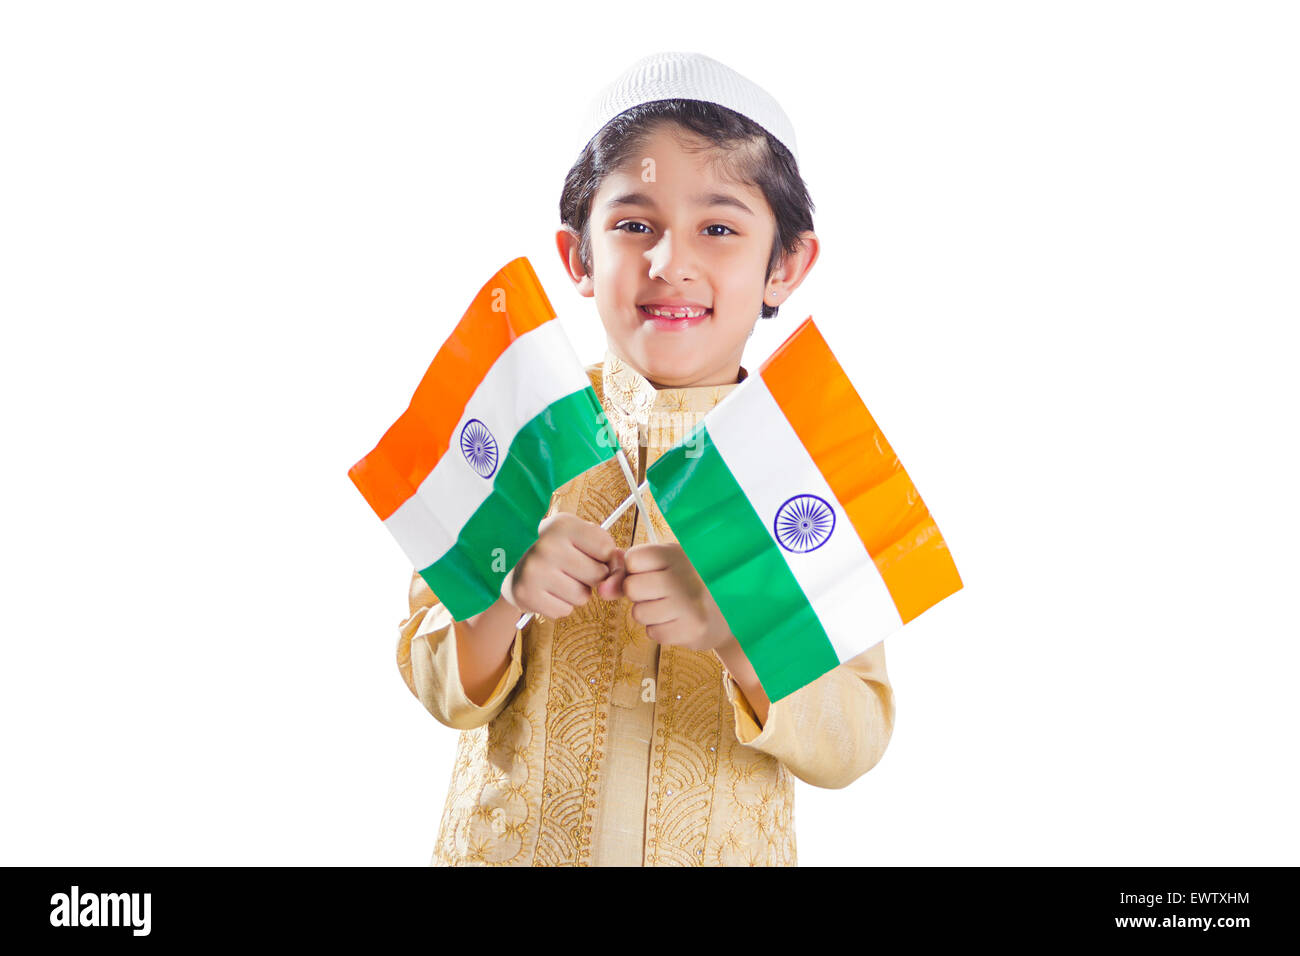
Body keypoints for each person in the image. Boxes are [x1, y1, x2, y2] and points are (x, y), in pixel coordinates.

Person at [397, 51, 895, 866]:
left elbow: (857, 735)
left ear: (786, 266)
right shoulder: (523, 425)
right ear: (578, 259)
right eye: (634, 225)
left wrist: (738, 629)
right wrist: (501, 586)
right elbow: (432, 678)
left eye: (721, 228)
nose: (671, 263)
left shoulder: (807, 464)